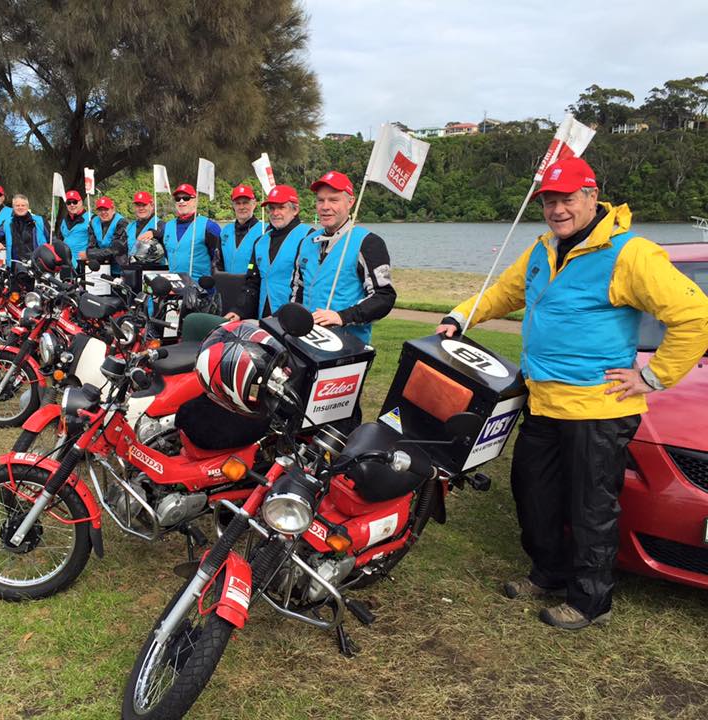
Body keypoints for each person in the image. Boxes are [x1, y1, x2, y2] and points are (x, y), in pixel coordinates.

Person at [434, 157, 708, 630]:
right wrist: (461, 316)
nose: (558, 209)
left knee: (591, 506)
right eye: (549, 200)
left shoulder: (630, 253)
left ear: (591, 195)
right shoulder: (543, 248)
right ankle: (549, 572)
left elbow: (694, 316)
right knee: (532, 490)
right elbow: (504, 292)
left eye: (567, 198)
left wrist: (653, 377)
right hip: (543, 401)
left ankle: (590, 599)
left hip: (598, 409)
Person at [291, 170, 396, 343]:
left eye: (333, 200)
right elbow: (297, 289)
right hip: (306, 340)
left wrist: (342, 317)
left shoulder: (368, 242)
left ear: (350, 202)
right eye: (320, 200)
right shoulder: (307, 242)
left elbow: (384, 296)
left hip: (347, 345)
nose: (325, 206)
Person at [225, 184, 313, 320]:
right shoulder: (260, 242)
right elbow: (252, 283)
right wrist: (239, 310)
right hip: (263, 319)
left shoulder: (309, 237)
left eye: (281, 207)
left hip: (293, 319)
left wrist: (281, 317)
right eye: (271, 208)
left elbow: (309, 287)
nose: (275, 213)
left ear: (295, 210)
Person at [141, 183, 222, 281]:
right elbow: (165, 248)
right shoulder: (168, 226)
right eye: (177, 199)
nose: (181, 201)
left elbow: (219, 260)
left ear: (195, 200)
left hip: (200, 288)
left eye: (186, 198)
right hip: (174, 286)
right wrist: (152, 232)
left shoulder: (209, 226)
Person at [0, 193, 49, 267]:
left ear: (27, 207)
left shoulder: (40, 221)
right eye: (17, 205)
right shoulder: (7, 223)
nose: (20, 208)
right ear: (13, 207)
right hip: (15, 267)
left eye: (23, 205)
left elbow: (52, 240)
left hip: (39, 265)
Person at [220, 184, 265, 274]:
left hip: (253, 286)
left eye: (245, 202)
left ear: (254, 204)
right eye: (238, 203)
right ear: (233, 205)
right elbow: (218, 262)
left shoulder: (265, 230)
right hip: (227, 284)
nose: (241, 207)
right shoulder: (225, 231)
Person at [86, 196, 128, 271]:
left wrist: (92, 255)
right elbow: (91, 247)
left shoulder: (121, 222)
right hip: (100, 266)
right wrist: (92, 254)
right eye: (100, 210)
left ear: (113, 209)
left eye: (106, 209)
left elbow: (116, 249)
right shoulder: (93, 222)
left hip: (119, 266)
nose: (103, 212)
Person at [58, 189, 90, 263]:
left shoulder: (91, 218)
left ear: (81, 202)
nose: (72, 205)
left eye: (75, 202)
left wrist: (90, 255)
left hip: (83, 261)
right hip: (66, 261)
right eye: (69, 203)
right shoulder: (64, 220)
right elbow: (60, 239)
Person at [125, 191, 158, 260]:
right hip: (131, 268)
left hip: (153, 269)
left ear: (152, 206)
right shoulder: (130, 226)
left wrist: (154, 232)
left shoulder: (158, 223)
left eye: (144, 205)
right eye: (138, 205)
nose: (141, 208)